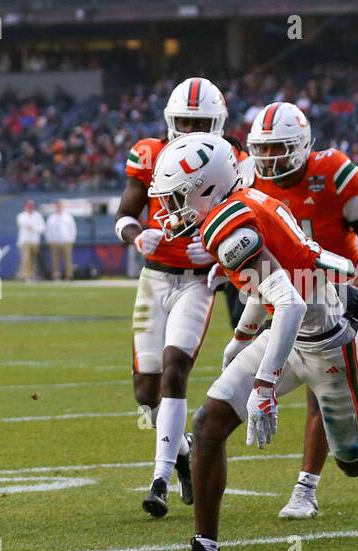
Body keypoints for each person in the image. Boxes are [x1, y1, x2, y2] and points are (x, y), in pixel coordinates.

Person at [143, 134, 358, 551]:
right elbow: (269, 284)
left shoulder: (228, 227)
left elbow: (289, 301)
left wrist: (263, 385)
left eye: (176, 197)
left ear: (206, 187)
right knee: (209, 424)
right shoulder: (242, 204)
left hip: (328, 343)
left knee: (355, 459)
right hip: (292, 331)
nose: (170, 210)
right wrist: (241, 338)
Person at [245, 101, 358, 520]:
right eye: (262, 148)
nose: (268, 158)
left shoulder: (332, 173)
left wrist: (355, 293)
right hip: (288, 300)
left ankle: (305, 491)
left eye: (278, 148)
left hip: (335, 303)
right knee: (334, 383)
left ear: (302, 145)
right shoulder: (249, 178)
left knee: (320, 396)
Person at [116, 76, 252, 519]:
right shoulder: (150, 153)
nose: (191, 130)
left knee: (175, 369)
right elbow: (125, 214)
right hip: (154, 279)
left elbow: (251, 224)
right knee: (146, 391)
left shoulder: (234, 161)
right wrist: (138, 237)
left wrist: (217, 252)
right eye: (185, 121)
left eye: (200, 122)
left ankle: (159, 479)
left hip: (197, 282)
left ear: (218, 123)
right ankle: (185, 452)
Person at [45, 201, 77, 280]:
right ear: (55, 207)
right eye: (57, 206)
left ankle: (69, 275)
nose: (58, 208)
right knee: (55, 260)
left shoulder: (68, 217)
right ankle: (56, 276)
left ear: (62, 207)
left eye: (60, 206)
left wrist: (71, 239)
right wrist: (49, 240)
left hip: (66, 241)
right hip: (54, 242)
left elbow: (73, 229)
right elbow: (48, 230)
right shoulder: (51, 217)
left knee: (68, 259)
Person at [15, 199, 45, 281]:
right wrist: (34, 226)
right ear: (25, 207)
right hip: (25, 241)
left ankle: (32, 275)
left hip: (35, 241)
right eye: (28, 206)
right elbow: (25, 224)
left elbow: (42, 228)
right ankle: (26, 276)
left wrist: (33, 227)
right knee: (26, 259)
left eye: (31, 206)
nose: (30, 208)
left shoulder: (38, 216)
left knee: (33, 259)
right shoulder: (21, 216)